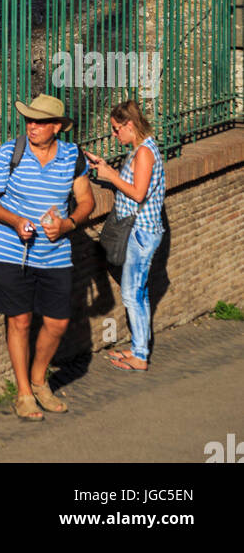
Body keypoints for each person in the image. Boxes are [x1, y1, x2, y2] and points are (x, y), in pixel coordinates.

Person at [0, 94, 95, 420]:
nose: (32, 126)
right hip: (9, 250)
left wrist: (68, 224)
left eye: (40, 122)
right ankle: (24, 393)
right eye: (29, 120)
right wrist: (16, 221)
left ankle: (39, 378)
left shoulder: (73, 156)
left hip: (55, 253)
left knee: (57, 323)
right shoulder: (10, 153)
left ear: (56, 126)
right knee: (20, 320)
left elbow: (86, 201)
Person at [85, 99, 166, 372]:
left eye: (116, 129)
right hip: (139, 231)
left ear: (130, 125)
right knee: (138, 293)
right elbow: (134, 183)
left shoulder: (144, 152)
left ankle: (140, 355)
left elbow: (138, 193)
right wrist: (107, 168)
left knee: (132, 294)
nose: (114, 134)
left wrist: (110, 175)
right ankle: (138, 348)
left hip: (140, 233)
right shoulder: (142, 149)